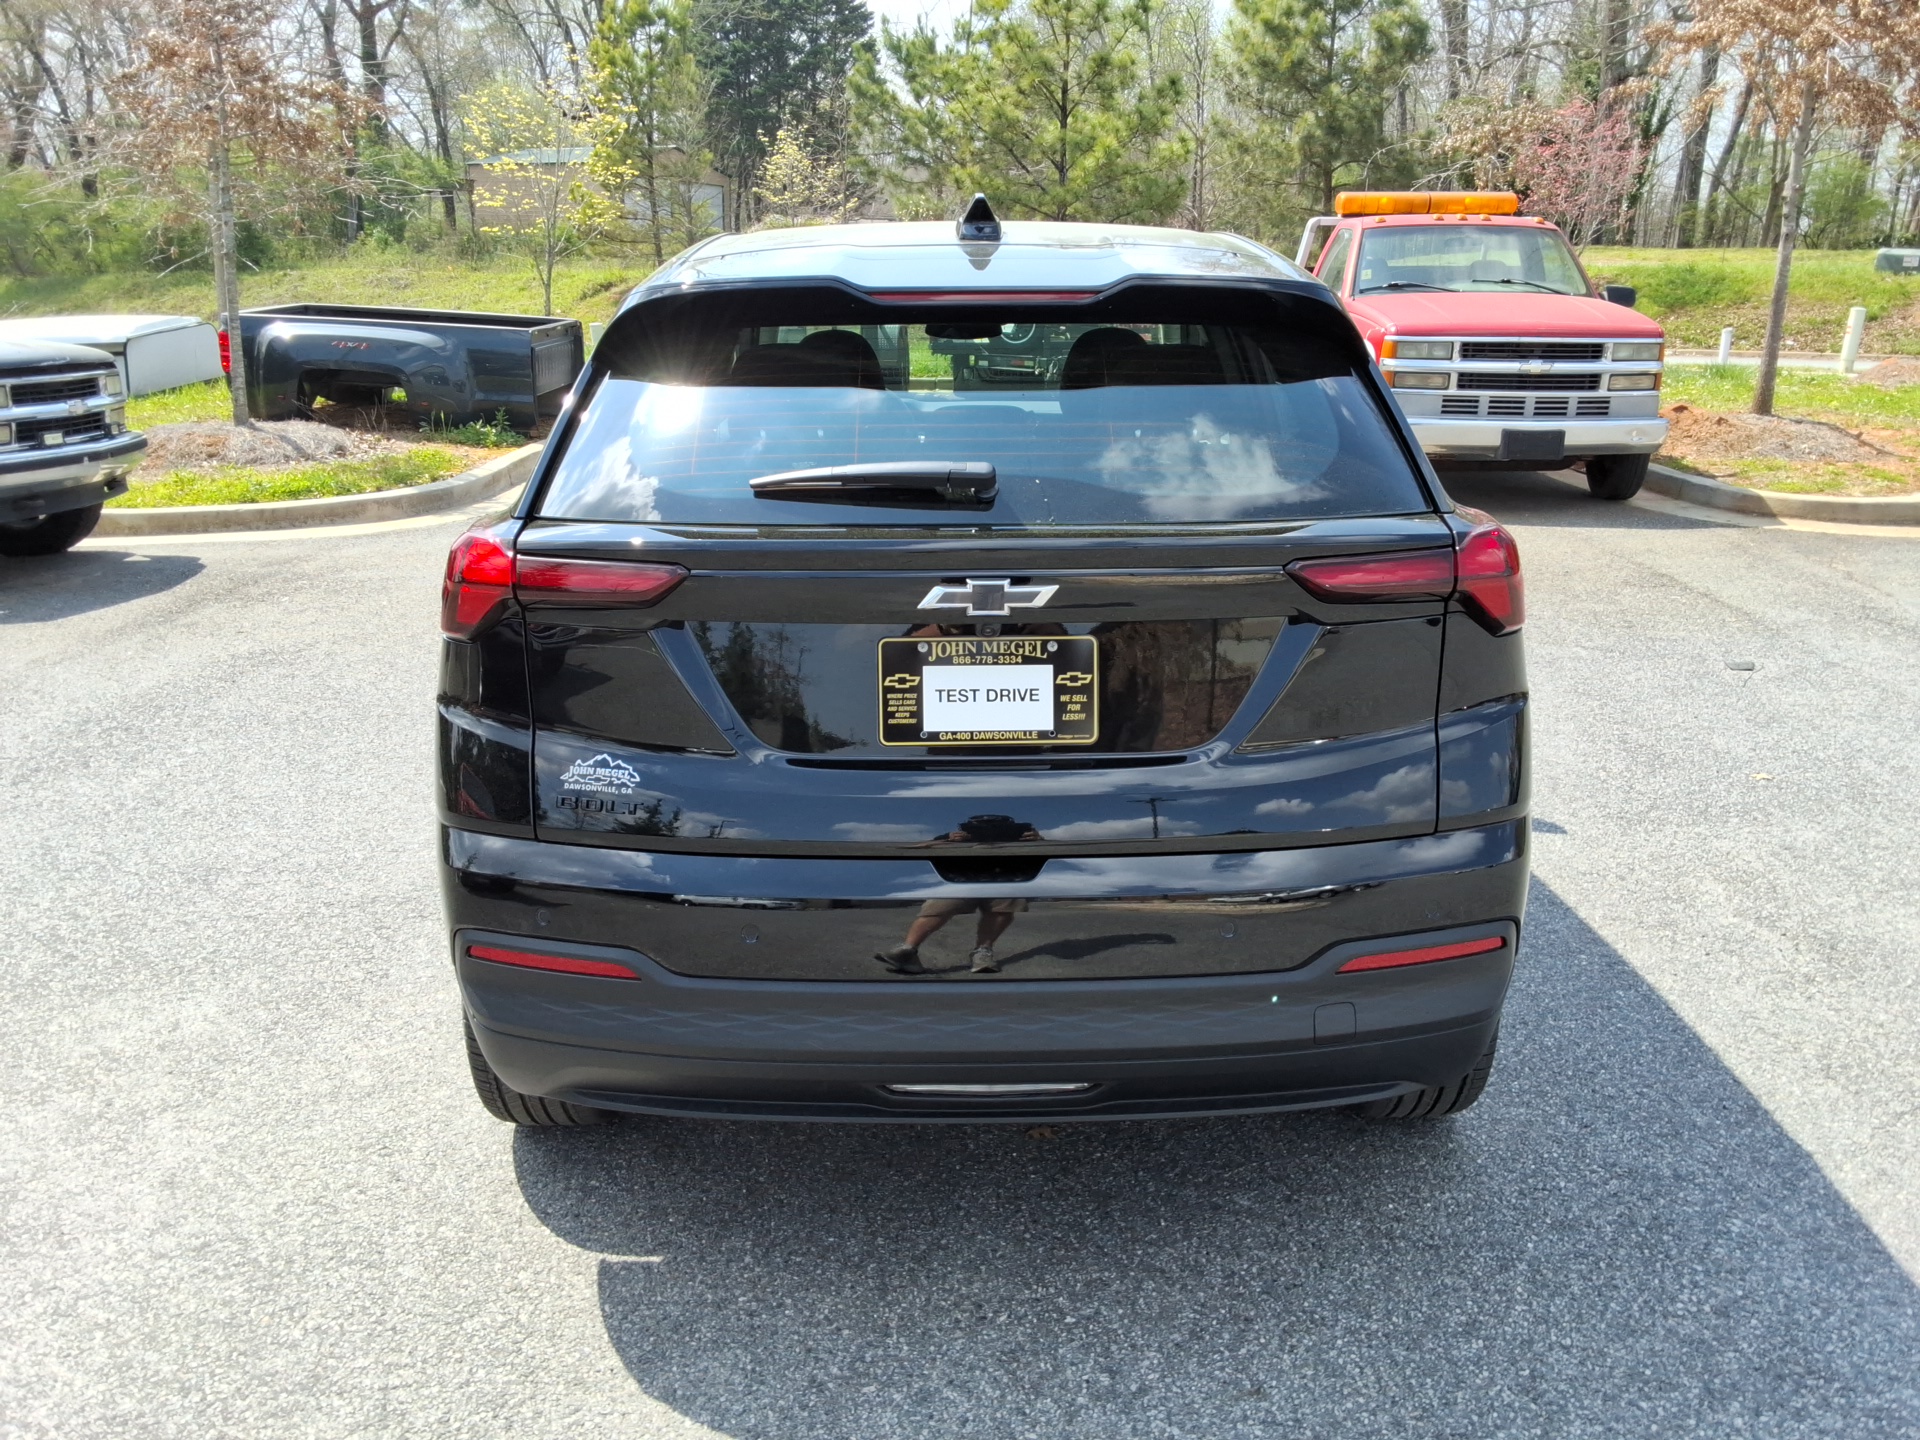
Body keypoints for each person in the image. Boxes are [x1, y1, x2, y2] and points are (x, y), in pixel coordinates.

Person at [874, 814, 1041, 975]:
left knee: (1002, 909)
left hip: (1004, 877)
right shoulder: (954, 835)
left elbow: (1044, 851)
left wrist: (1038, 840)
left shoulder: (1020, 834)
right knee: (938, 908)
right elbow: (918, 847)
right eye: (980, 828)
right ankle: (908, 950)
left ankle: (982, 953)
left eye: (998, 827)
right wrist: (948, 839)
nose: (988, 830)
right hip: (960, 877)